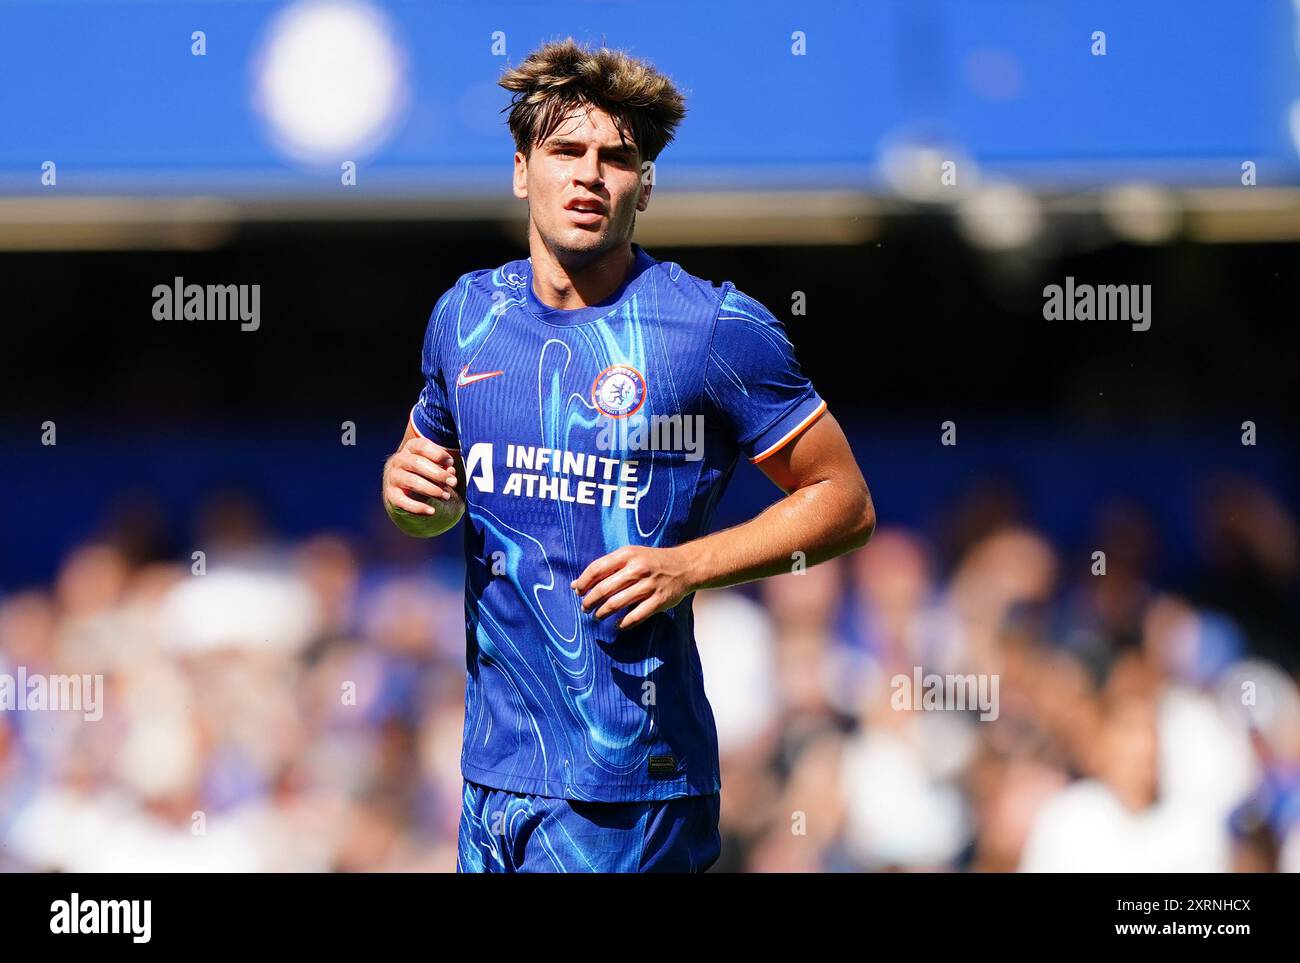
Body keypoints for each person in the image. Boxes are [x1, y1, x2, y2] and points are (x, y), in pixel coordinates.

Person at [380, 37, 874, 872]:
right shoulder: (465, 314)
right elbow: (420, 483)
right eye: (565, 150)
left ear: (644, 183)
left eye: (617, 158)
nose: (588, 174)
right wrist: (406, 494)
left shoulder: (713, 329)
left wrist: (689, 566)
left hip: (633, 786)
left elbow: (844, 501)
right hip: (491, 777)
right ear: (520, 169)